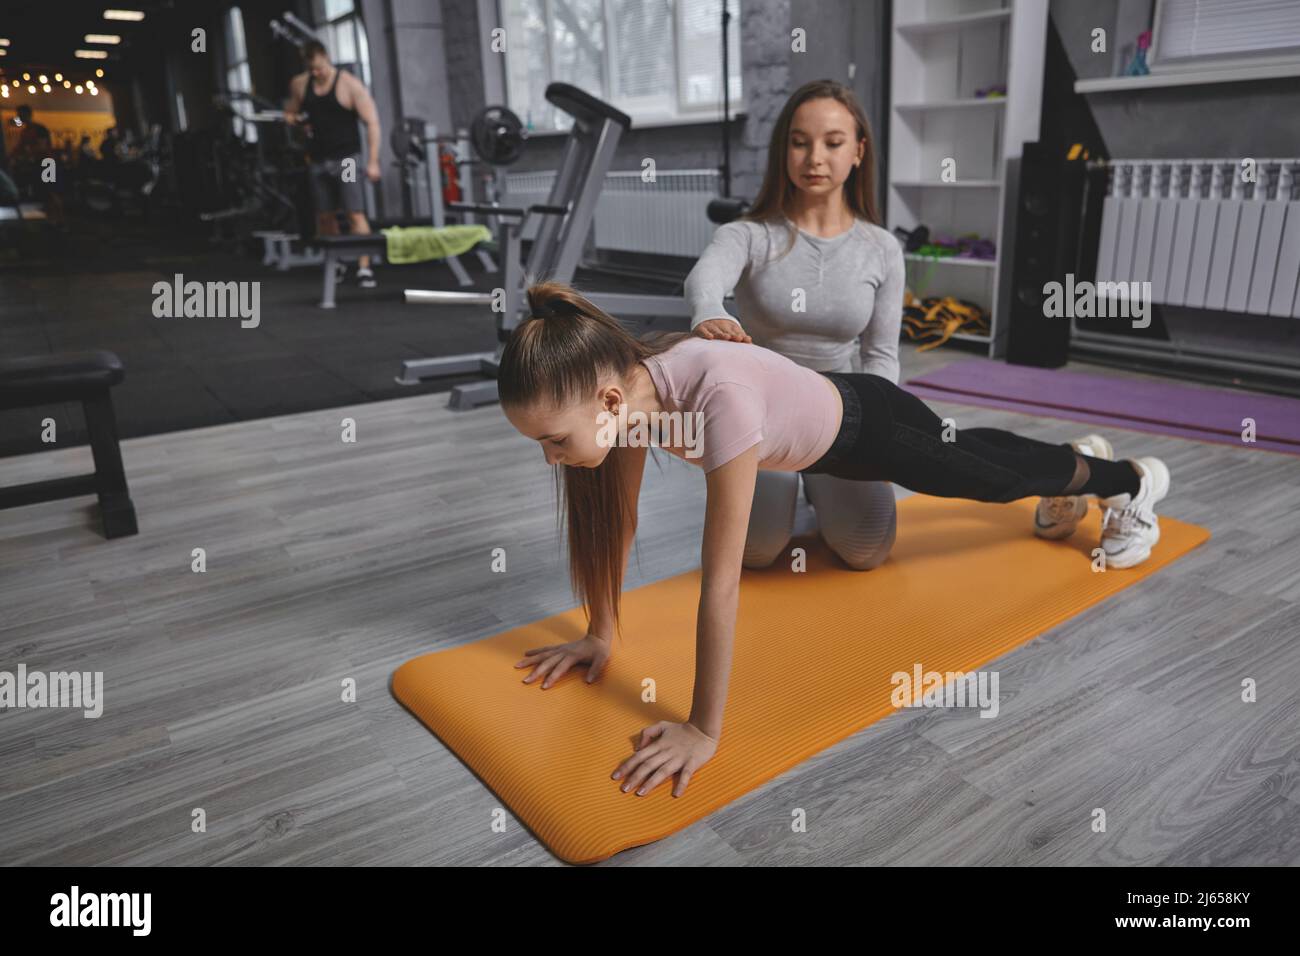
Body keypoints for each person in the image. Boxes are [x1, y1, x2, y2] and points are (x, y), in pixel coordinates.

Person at [499, 280, 1171, 799]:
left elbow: (722, 582)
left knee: (987, 478)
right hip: (820, 443)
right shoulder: (634, 395)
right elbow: (620, 521)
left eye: (554, 440)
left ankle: (1125, 479)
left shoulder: (717, 399)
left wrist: (704, 730)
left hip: (869, 425)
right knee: (980, 461)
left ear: (609, 402)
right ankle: (1076, 459)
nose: (551, 458)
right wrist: (601, 633)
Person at [686, 80, 902, 574]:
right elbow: (706, 278)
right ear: (784, 149)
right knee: (756, 552)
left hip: (842, 411)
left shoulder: (883, 248)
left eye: (832, 142)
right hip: (763, 415)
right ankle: (789, 493)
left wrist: (880, 432)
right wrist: (709, 312)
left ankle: (818, 491)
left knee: (866, 550)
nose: (814, 158)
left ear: (858, 151)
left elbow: (881, 355)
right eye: (799, 142)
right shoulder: (748, 234)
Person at [285, 39, 382, 288]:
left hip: (347, 160)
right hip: (317, 161)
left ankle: (364, 267)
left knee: (354, 212)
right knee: (325, 217)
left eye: (320, 67)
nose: (317, 73)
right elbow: (290, 112)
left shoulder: (349, 84)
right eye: (312, 69)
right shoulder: (299, 84)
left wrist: (372, 162)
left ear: (326, 57)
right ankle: (336, 263)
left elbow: (372, 123)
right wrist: (294, 120)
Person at [11, 105, 64, 226]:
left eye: (20, 114)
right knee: (45, 192)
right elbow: (19, 148)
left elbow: (42, 146)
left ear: (27, 114)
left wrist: (27, 154)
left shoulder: (39, 129)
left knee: (52, 191)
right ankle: (51, 219)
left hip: (47, 162)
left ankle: (59, 219)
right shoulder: (25, 131)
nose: (18, 117)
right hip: (38, 163)